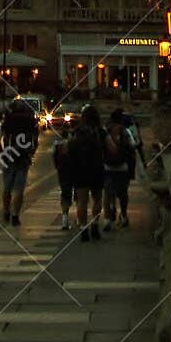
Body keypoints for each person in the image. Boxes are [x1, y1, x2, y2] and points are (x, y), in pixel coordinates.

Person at [0, 94, 39, 225]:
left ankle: (6, 211)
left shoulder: (5, 121)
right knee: (19, 189)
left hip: (8, 157)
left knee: (7, 188)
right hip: (23, 158)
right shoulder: (31, 122)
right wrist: (31, 154)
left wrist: (2, 153)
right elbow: (35, 141)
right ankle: (15, 216)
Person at [67, 103, 105, 242]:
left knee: (82, 201)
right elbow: (111, 148)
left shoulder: (76, 131)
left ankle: (83, 228)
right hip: (97, 169)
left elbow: (67, 149)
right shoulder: (101, 131)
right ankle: (94, 225)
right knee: (97, 198)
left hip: (79, 169)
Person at [101, 117, 136, 230]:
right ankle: (124, 216)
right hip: (122, 168)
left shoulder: (106, 131)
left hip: (107, 168)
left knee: (107, 194)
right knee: (122, 193)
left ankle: (108, 218)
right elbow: (133, 145)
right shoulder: (125, 131)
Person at [52, 126, 75, 230]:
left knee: (65, 193)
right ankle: (80, 219)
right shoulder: (73, 143)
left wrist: (57, 167)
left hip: (62, 171)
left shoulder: (57, 144)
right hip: (74, 170)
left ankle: (64, 220)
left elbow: (54, 157)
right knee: (79, 193)